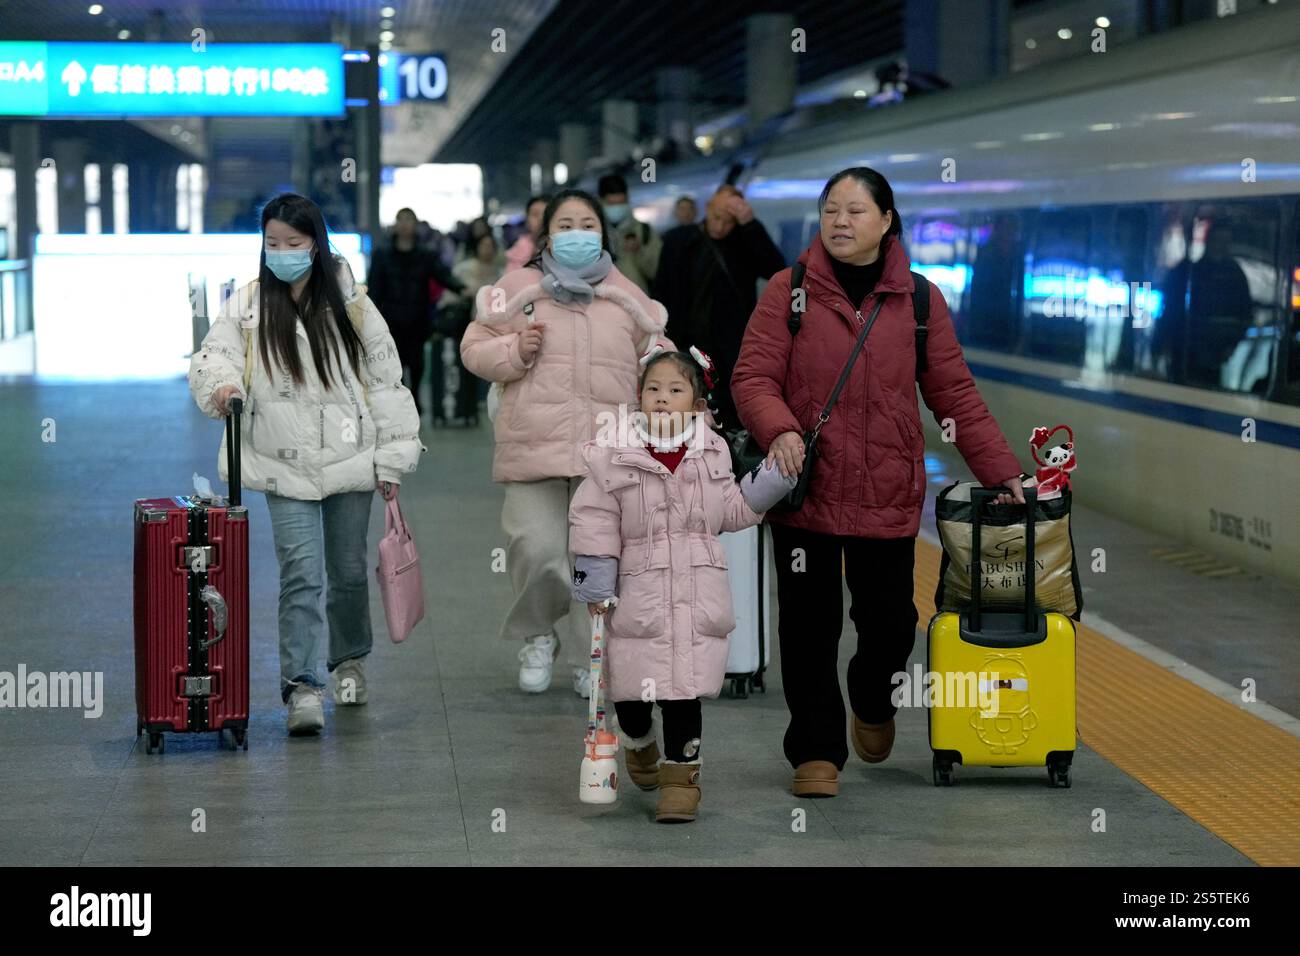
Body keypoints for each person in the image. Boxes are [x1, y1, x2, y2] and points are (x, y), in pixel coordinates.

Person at [731, 167, 1024, 798]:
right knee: (808, 629)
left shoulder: (919, 301)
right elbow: (752, 378)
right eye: (831, 209)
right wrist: (780, 429)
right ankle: (815, 751)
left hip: (886, 494)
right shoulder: (790, 291)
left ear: (887, 221)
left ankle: (872, 698)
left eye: (856, 210)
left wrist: (1002, 473)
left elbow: (954, 396)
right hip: (806, 493)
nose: (840, 221)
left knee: (890, 624)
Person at [188, 193, 422, 736]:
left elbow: (387, 381)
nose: (283, 253)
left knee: (345, 573)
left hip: (351, 460)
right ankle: (302, 686)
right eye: (273, 244)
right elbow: (213, 354)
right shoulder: (247, 304)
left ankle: (349, 662)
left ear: (315, 244)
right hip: (280, 463)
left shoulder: (352, 303)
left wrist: (392, 458)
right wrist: (222, 386)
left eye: (294, 244)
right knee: (300, 576)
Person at [460, 188, 673, 697]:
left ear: (602, 233)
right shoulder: (519, 289)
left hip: (605, 455)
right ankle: (537, 635)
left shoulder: (626, 294)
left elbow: (658, 353)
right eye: (566, 224)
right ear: (547, 235)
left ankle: (587, 657)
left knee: (592, 560)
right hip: (533, 446)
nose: (577, 233)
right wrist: (514, 349)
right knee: (537, 548)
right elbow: (474, 347)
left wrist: (666, 387)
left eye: (587, 224)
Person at [569, 350, 794, 823]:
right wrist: (595, 580)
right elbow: (594, 516)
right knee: (630, 691)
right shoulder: (614, 454)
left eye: (675, 391)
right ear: (638, 398)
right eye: (653, 390)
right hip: (635, 593)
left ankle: (681, 778)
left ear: (696, 404)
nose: (663, 400)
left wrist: (769, 484)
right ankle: (637, 738)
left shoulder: (711, 453)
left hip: (695, 595)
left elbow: (729, 511)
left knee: (682, 690)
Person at [653, 184, 785, 431]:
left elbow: (775, 269)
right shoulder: (678, 241)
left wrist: (749, 224)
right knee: (683, 407)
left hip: (730, 348)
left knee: (728, 414)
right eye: (717, 218)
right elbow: (662, 290)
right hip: (685, 343)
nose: (721, 226)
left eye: (729, 222)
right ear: (707, 208)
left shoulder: (743, 242)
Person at [366, 207, 466, 420]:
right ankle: (400, 401)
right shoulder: (382, 254)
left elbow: (442, 276)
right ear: (395, 224)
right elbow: (375, 288)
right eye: (400, 220)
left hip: (418, 317)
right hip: (390, 318)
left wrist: (462, 288)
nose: (404, 225)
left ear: (415, 225)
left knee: (418, 362)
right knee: (395, 364)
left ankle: (416, 398)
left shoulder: (426, 254)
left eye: (408, 220)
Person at [598, 173, 661, 295]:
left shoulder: (643, 230)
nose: (617, 208)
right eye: (611, 204)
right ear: (601, 201)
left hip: (638, 304)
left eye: (621, 203)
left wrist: (640, 251)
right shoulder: (592, 232)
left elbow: (658, 272)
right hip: (602, 305)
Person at [506, 195, 550, 273]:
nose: (541, 219)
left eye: (546, 214)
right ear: (527, 221)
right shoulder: (516, 253)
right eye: (535, 214)